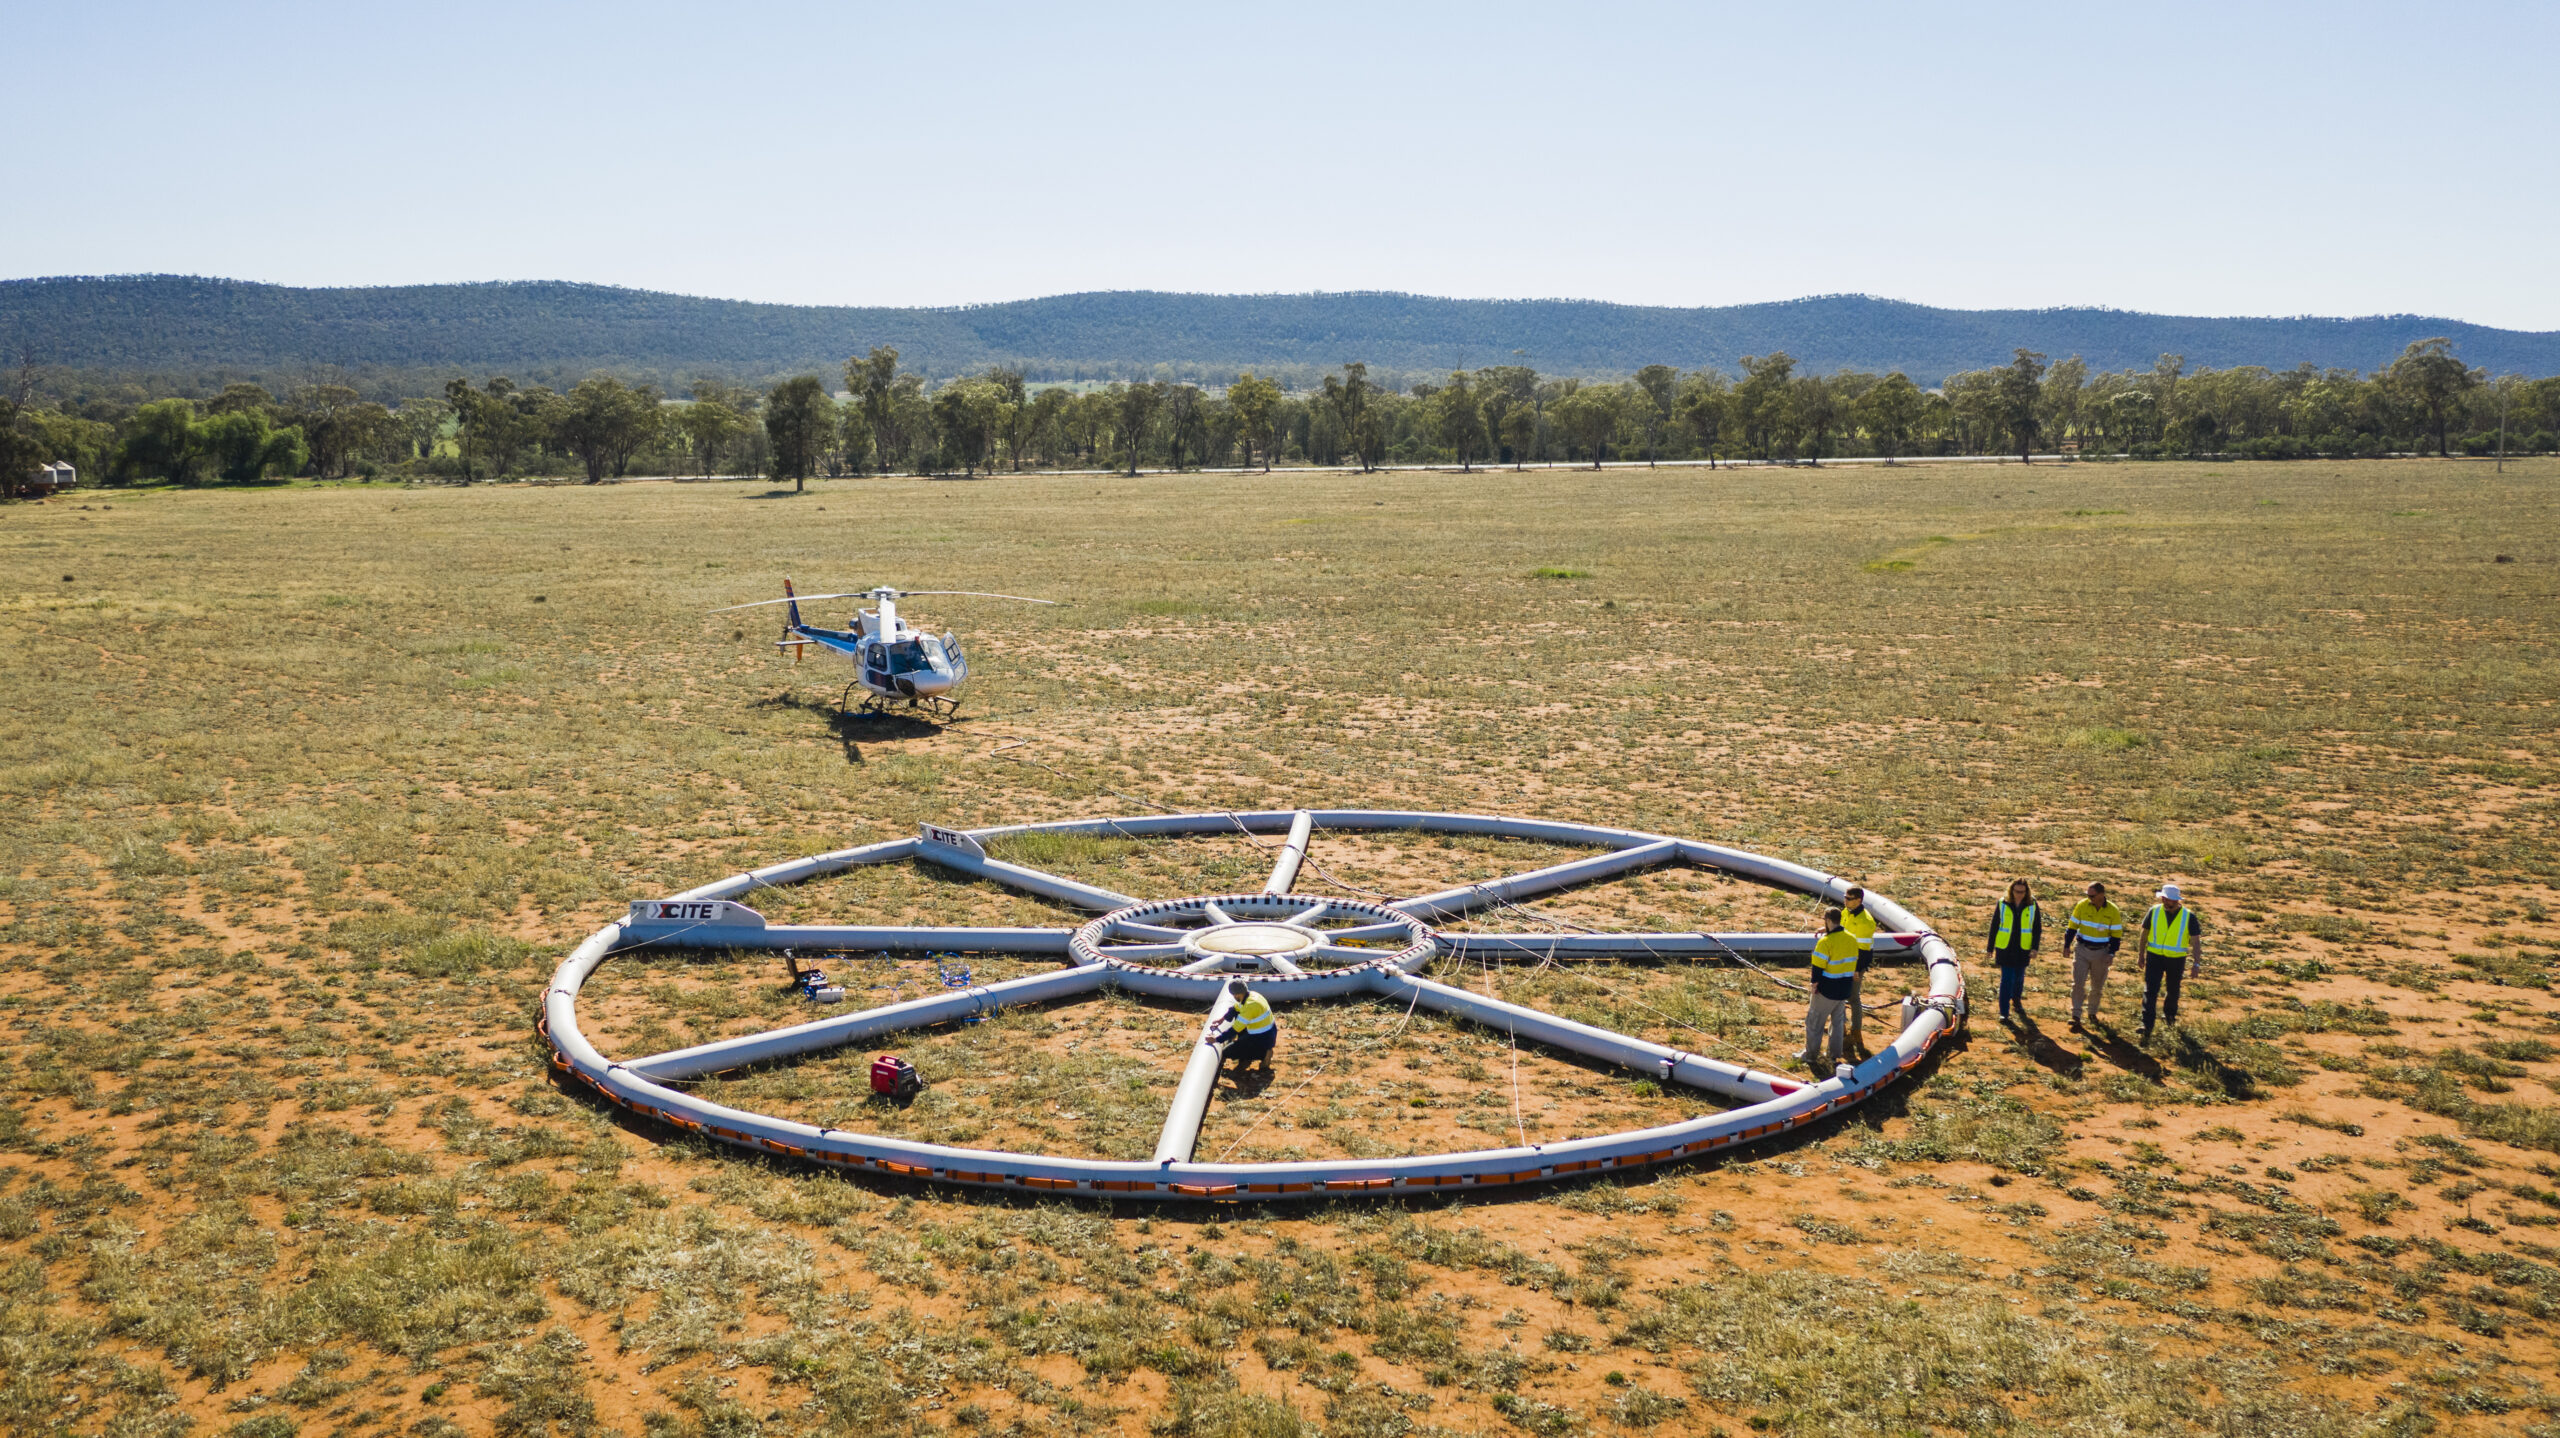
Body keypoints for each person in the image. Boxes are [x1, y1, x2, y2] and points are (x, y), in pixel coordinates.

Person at [2137, 884, 2203, 1041]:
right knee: (2150, 990)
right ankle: (2147, 1024)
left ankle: (2170, 1017)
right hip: (2154, 957)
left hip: (2176, 959)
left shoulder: (2189, 916)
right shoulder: (2154, 911)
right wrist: (2141, 954)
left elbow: (2196, 942)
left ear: (2176, 900)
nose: (2165, 902)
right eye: (2164, 899)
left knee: (2173, 990)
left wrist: (2196, 964)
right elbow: (2144, 933)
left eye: (2169, 900)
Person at [2065, 880, 2125, 1032]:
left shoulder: (2113, 910)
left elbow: (2116, 935)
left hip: (2101, 952)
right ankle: (2076, 1014)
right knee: (2078, 983)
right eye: (2088, 895)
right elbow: (2072, 927)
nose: (2089, 898)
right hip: (2082, 949)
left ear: (2101, 895)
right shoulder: (2082, 905)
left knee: (2097, 986)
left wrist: (2111, 953)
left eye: (2092, 896)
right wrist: (2066, 945)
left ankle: (2092, 1012)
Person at [1805, 907, 1860, 1071]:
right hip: (1844, 989)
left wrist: (1814, 984)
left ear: (1828, 921)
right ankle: (1834, 1054)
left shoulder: (1825, 942)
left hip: (1827, 990)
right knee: (1837, 1023)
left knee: (1814, 1022)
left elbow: (1818, 967)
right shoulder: (1851, 938)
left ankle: (1811, 1056)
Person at [1986, 879, 2041, 1023]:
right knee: (2006, 979)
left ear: (2026, 892)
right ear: (2011, 890)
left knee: (2019, 977)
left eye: (2022, 892)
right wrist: (1990, 947)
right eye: (2017, 892)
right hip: (2005, 948)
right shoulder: (2003, 903)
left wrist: (2035, 948)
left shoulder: (2032, 904)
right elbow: (1995, 924)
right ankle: (2004, 1012)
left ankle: (2016, 1000)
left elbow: (2037, 927)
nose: (2019, 895)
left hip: (2023, 948)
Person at [1840, 886, 1879, 1056]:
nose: (1845, 900)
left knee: (1853, 998)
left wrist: (1857, 969)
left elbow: (1865, 950)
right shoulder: (1846, 912)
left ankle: (1856, 1031)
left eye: (1849, 898)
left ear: (1859, 900)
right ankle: (1841, 1027)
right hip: (1841, 960)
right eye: (1845, 897)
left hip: (1854, 964)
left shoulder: (1865, 922)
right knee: (1839, 995)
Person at [1214, 979, 1277, 1069]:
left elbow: (1235, 1029)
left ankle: (1264, 1054)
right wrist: (1222, 1019)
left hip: (1262, 1038)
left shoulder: (1250, 1005)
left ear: (1236, 994)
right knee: (1236, 1012)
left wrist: (1217, 1039)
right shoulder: (1251, 995)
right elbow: (1236, 1008)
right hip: (1267, 1032)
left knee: (1227, 1052)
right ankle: (1244, 1045)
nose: (1233, 997)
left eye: (1233, 995)